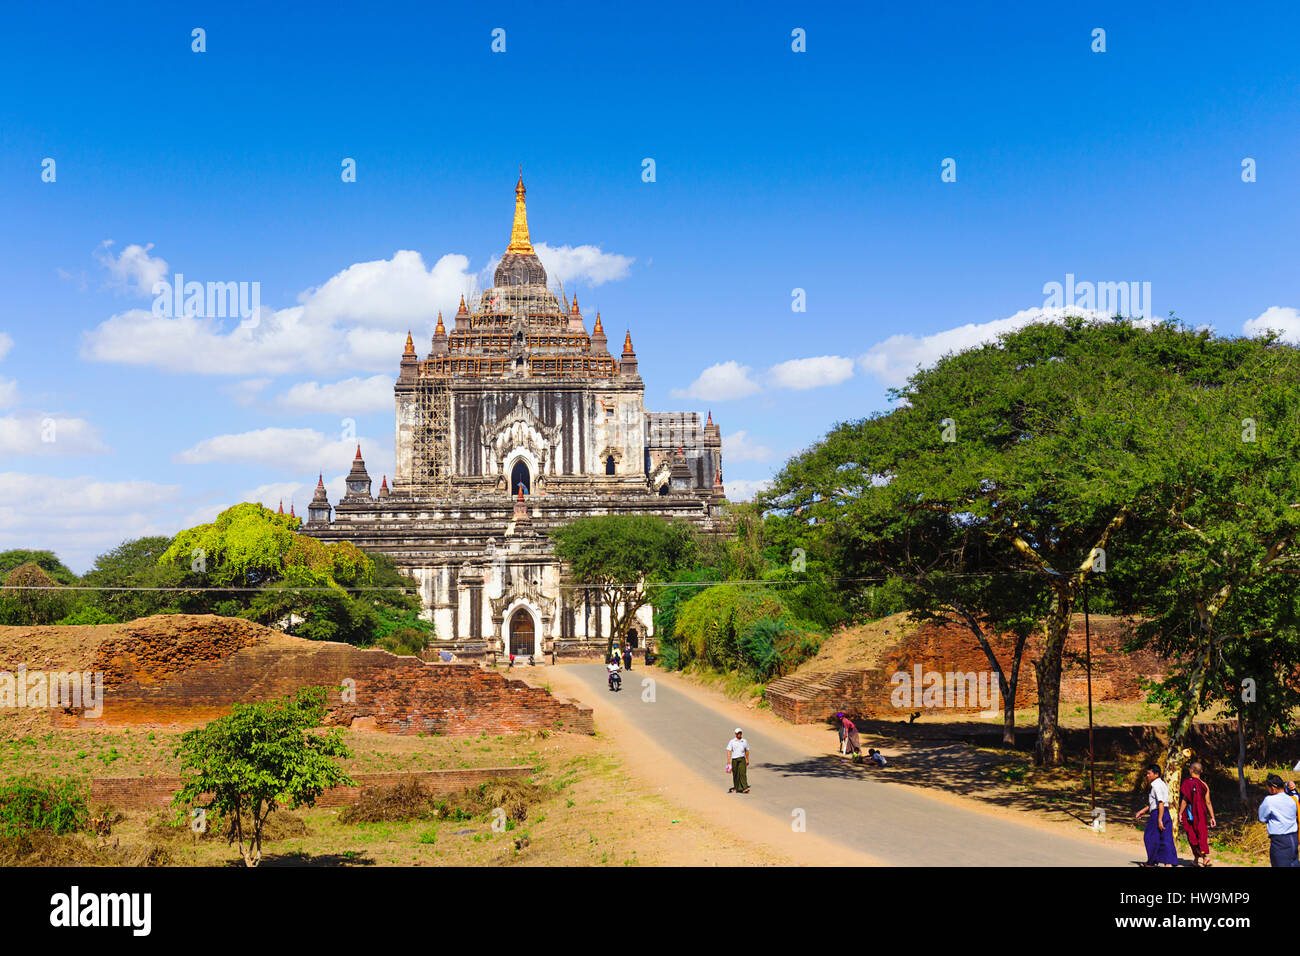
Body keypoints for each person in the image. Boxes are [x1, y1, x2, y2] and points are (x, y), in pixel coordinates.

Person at [1135, 764, 1178, 867]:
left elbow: (1161, 803)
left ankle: (1152, 862)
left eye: (1149, 773)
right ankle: (1169, 863)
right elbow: (1155, 803)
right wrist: (1143, 810)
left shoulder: (1156, 785)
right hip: (1165, 813)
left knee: (1150, 837)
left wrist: (1159, 819)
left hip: (1158, 813)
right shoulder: (1162, 784)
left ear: (1156, 774)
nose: (1147, 776)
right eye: (1147, 773)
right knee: (1166, 838)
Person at [1177, 761, 1216, 867]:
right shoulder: (1204, 785)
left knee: (1192, 836)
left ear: (1191, 770)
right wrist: (1212, 817)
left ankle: (1205, 857)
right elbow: (1208, 802)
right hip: (1202, 814)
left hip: (1191, 814)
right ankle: (1196, 859)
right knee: (1201, 836)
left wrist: (1180, 813)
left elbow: (1185, 800)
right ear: (1201, 771)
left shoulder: (1188, 782)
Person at [1258, 774, 1299, 867]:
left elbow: (1262, 818)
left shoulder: (1269, 800)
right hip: (1293, 838)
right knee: (1294, 863)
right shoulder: (1292, 799)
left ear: (1273, 788)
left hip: (1279, 841)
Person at [726, 728, 750, 794]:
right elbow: (729, 750)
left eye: (740, 733)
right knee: (735, 774)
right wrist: (728, 760)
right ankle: (736, 788)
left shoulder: (744, 741)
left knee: (743, 773)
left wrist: (747, 759)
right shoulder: (732, 741)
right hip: (734, 759)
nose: (739, 734)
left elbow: (747, 750)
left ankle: (745, 788)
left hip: (742, 759)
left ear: (741, 733)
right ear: (735, 734)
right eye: (737, 733)